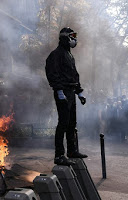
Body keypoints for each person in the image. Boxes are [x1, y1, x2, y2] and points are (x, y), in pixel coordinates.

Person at [45, 27, 88, 166]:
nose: (74, 39)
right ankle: (59, 155)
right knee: (63, 123)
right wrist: (59, 90)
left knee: (71, 123)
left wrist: (79, 92)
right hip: (63, 92)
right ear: (65, 37)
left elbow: (74, 74)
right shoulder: (56, 54)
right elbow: (52, 72)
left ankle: (71, 151)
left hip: (70, 91)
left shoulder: (69, 55)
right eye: (72, 35)